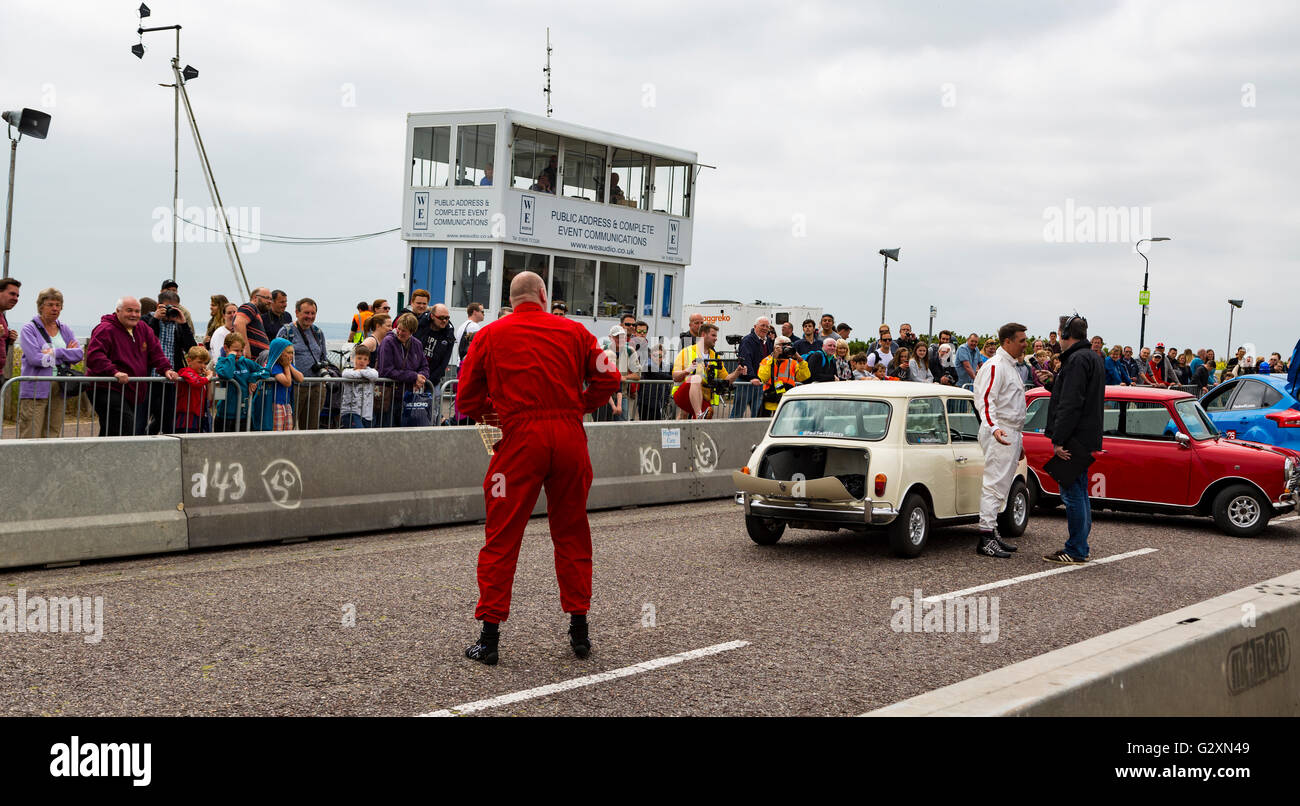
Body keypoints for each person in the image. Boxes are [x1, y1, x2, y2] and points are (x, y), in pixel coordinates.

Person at [456, 270, 621, 666]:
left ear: (512, 300)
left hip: (518, 440)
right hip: (567, 438)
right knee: (572, 531)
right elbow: (610, 377)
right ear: (544, 296)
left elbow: (465, 397)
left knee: (502, 535)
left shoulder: (489, 335)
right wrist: (577, 407)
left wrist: (495, 415)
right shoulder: (575, 331)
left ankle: (490, 638)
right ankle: (579, 630)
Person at [1043, 313, 1105, 564]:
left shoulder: (1077, 360)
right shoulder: (1091, 357)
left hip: (1074, 437)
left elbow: (1071, 404)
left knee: (1072, 495)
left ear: (1065, 334)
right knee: (1079, 492)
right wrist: (1055, 383)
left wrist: (1059, 440)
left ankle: (1077, 548)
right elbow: (1074, 394)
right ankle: (1079, 546)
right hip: (1085, 435)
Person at [972, 323, 1029, 558]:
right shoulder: (995, 366)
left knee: (1002, 486)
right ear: (1008, 341)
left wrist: (1018, 440)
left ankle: (992, 530)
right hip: (1001, 431)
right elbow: (986, 400)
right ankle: (985, 536)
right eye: (1022, 340)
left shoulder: (1010, 366)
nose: (1025, 344)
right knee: (994, 484)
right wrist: (994, 428)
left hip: (1010, 431)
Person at [85, 297, 179, 436]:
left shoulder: (143, 328)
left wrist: (165, 369)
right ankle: (125, 457)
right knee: (126, 427)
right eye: (129, 310)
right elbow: (94, 356)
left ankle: (101, 456)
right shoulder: (105, 329)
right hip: (107, 387)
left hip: (131, 389)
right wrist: (114, 372)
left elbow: (155, 351)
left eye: (137, 311)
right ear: (118, 311)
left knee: (111, 431)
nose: (134, 315)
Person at [17, 287, 83, 439]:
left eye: (58, 305)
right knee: (30, 433)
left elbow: (79, 354)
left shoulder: (64, 329)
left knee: (52, 433)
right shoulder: (29, 329)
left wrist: (55, 353)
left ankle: (46, 463)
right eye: (50, 304)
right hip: (36, 387)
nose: (55, 308)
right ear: (41, 306)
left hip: (59, 386)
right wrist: (66, 353)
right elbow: (34, 358)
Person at [146, 288, 198, 434]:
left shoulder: (178, 325)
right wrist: (156, 318)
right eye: (167, 307)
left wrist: (183, 323)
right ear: (159, 305)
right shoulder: (147, 320)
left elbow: (191, 349)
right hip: (148, 378)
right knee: (145, 416)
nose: (170, 311)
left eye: (174, 308)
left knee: (167, 419)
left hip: (171, 378)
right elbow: (145, 340)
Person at [276, 297, 329, 430]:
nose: (309, 316)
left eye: (313, 313)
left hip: (316, 386)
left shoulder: (318, 332)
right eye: (306, 313)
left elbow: (323, 357)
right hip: (293, 387)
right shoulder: (287, 332)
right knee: (288, 426)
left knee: (311, 428)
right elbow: (276, 357)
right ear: (297, 312)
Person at [671, 323, 744, 419]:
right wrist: (687, 371)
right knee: (696, 378)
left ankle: (691, 427)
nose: (716, 338)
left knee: (708, 414)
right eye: (713, 335)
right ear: (703, 335)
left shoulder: (715, 356)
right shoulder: (686, 351)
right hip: (683, 392)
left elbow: (726, 380)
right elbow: (675, 376)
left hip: (702, 396)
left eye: (716, 336)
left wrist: (737, 372)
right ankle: (698, 415)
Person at [377, 312, 430, 427]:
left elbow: (424, 366)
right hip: (389, 397)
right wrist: (413, 376)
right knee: (388, 429)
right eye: (399, 329)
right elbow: (386, 370)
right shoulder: (388, 342)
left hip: (409, 397)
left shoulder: (417, 344)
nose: (400, 333)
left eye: (404, 331)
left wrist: (421, 378)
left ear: (412, 332)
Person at [213, 333, 265, 432]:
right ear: (226, 348)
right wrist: (231, 357)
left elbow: (265, 371)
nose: (239, 354)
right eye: (236, 350)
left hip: (243, 415)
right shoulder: (221, 362)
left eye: (241, 350)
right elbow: (227, 374)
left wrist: (253, 378)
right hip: (225, 415)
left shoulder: (246, 362)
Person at [596, 325, 641, 421]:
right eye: (616, 337)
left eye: (622, 337)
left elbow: (638, 374)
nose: (619, 339)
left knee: (622, 424)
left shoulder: (630, 350)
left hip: (622, 393)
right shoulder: (602, 349)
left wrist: (623, 377)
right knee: (602, 424)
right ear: (610, 337)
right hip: (602, 394)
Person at [260, 337, 303, 431]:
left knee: (288, 429)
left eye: (292, 353)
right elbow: (287, 382)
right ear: (279, 353)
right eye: (288, 353)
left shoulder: (288, 365)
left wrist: (289, 365)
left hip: (286, 404)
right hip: (276, 404)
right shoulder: (274, 367)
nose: (291, 356)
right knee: (277, 430)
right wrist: (287, 366)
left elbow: (300, 378)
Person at [757, 336, 810, 413]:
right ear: (776, 346)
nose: (787, 348)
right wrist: (774, 358)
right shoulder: (767, 360)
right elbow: (763, 378)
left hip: (787, 401)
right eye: (784, 345)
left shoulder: (792, 362)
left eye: (789, 345)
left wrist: (799, 358)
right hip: (771, 401)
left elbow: (804, 376)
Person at [734, 317, 774, 418]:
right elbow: (745, 359)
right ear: (755, 326)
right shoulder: (747, 340)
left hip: (760, 383)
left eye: (767, 326)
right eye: (762, 325)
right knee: (738, 412)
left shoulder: (768, 341)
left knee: (757, 413)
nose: (765, 328)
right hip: (746, 382)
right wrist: (752, 377)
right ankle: (731, 432)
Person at [174, 345, 213, 433]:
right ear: (189, 361)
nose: (203, 366)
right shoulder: (185, 371)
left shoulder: (202, 378)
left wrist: (208, 382)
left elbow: (209, 398)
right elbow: (195, 382)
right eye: (200, 362)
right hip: (186, 416)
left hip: (198, 415)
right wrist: (209, 377)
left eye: (205, 363)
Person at [234, 287, 272, 359]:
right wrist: (245, 348)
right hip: (252, 361)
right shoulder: (250, 307)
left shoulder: (256, 313)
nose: (269, 301)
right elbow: (238, 324)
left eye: (271, 299)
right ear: (255, 298)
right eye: (267, 298)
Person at [0, 278, 19, 381]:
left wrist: (9, 340)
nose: (15, 298)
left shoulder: (2, 316)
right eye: (12, 294)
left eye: (17, 295)